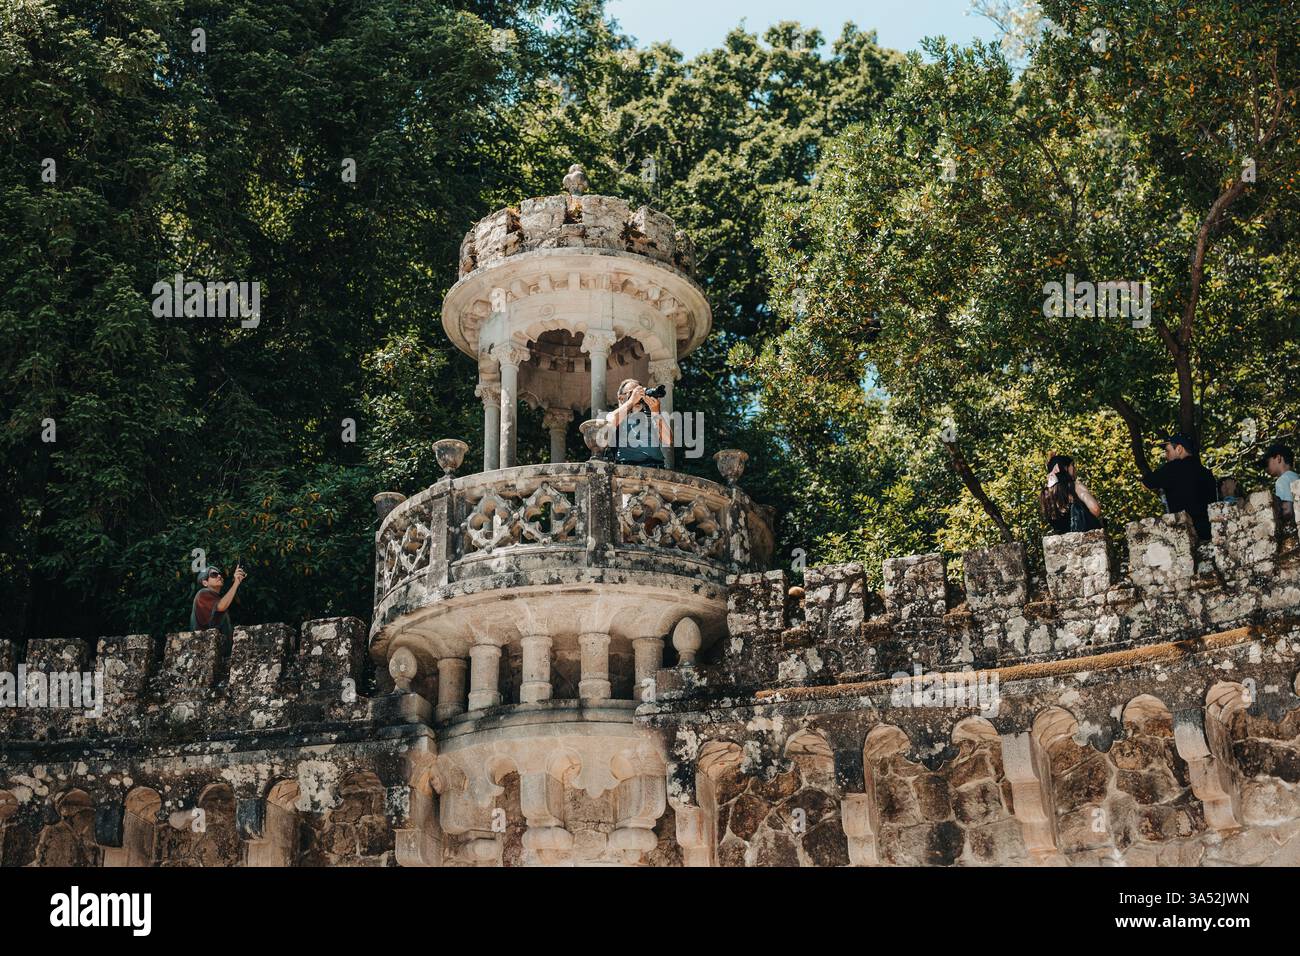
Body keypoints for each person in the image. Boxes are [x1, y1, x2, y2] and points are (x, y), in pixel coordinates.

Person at [1142, 433, 1217, 539]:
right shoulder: (1206, 473)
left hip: (1185, 532)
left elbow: (1147, 483)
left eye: (1168, 451)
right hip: (1209, 532)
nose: (1166, 455)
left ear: (1179, 449)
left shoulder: (1172, 469)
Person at [605, 378, 672, 468]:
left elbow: (668, 441)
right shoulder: (615, 415)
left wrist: (656, 412)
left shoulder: (651, 416)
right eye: (633, 393)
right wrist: (631, 401)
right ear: (621, 398)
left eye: (640, 393)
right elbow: (609, 423)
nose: (639, 396)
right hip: (628, 470)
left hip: (656, 469)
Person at [1039, 454, 1103, 534]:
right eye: (1072, 466)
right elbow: (1095, 509)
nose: (1075, 469)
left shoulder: (1046, 494)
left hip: (1063, 540)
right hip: (1084, 536)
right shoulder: (1076, 486)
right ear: (1065, 468)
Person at [190, 565, 246, 638]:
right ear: (205, 583)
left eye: (220, 574)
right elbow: (221, 607)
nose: (219, 576)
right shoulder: (202, 593)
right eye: (214, 574)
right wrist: (236, 583)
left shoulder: (216, 598)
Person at [1261, 443, 1298, 520]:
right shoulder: (1296, 477)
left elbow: (1287, 510)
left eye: (1267, 463)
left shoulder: (1282, 480)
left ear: (1278, 458)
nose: (1265, 469)